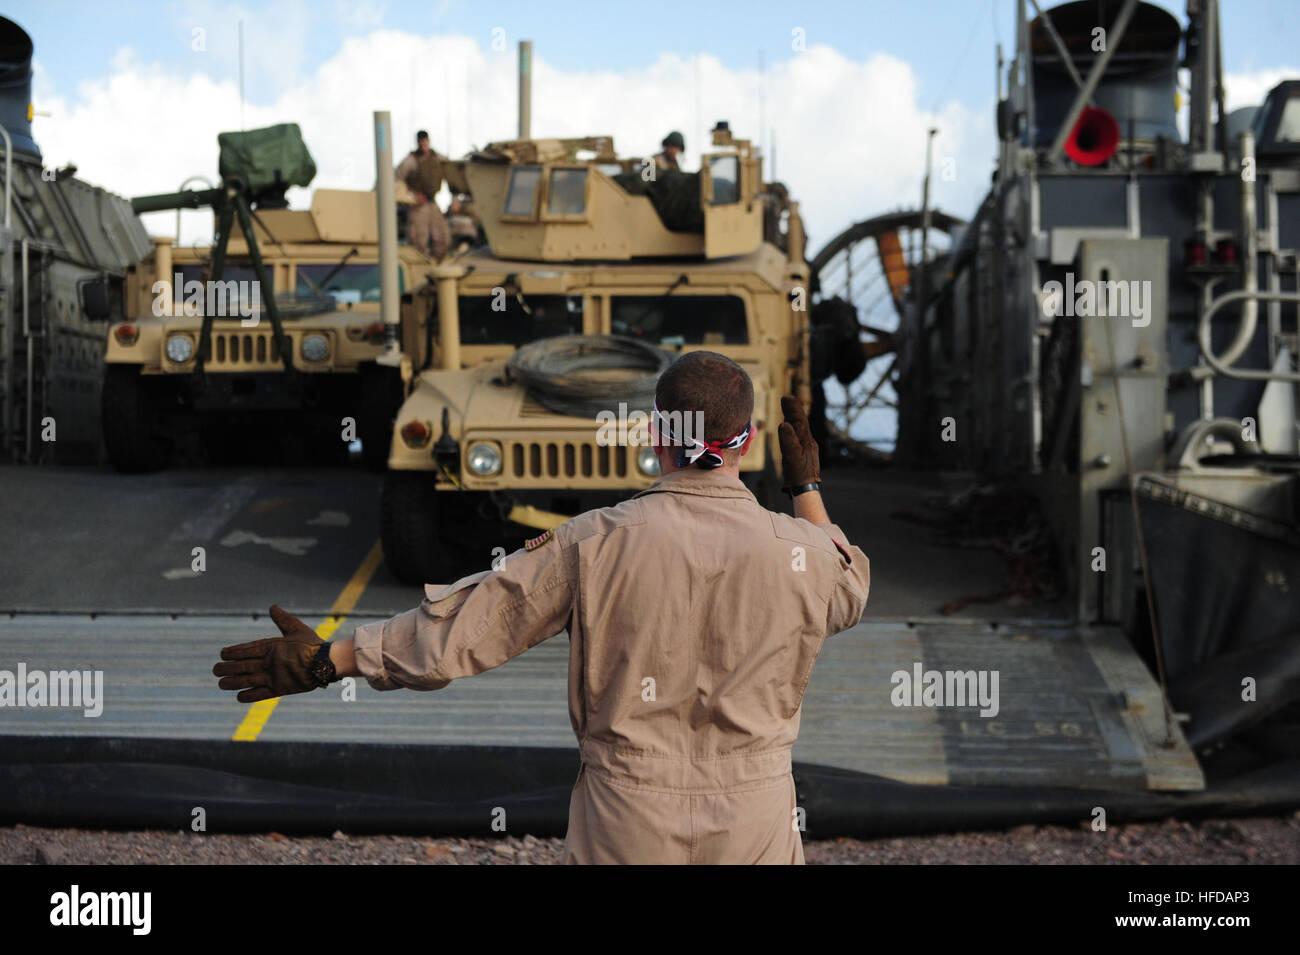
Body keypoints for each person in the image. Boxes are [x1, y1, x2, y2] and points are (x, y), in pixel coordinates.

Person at [213, 351, 870, 864]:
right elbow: (850, 586)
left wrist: (333, 657)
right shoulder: (805, 553)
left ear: (653, 432)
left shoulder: (591, 543)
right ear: (748, 441)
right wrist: (806, 489)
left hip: (625, 814)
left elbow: (465, 628)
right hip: (754, 811)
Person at [395, 130, 450, 259]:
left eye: (425, 141)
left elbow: (451, 170)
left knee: (442, 237)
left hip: (433, 203)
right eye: (421, 142)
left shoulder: (437, 158)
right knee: (419, 240)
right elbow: (397, 180)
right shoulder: (411, 161)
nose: (423, 144)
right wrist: (413, 196)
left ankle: (438, 263)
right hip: (418, 205)